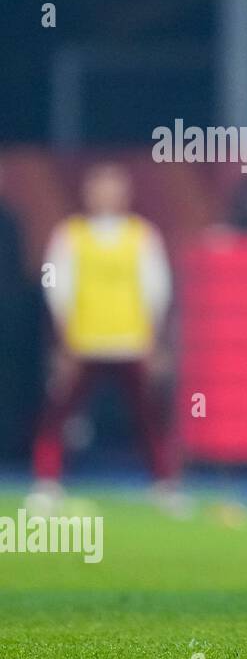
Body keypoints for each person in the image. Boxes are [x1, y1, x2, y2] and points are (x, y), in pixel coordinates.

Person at [32, 163, 178, 507]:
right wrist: (64, 336)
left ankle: (165, 484)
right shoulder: (69, 234)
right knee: (60, 412)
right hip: (84, 339)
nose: (106, 194)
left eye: (113, 187)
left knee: (149, 414)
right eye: (100, 186)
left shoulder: (142, 235)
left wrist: (153, 339)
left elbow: (157, 288)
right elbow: (55, 286)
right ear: (87, 192)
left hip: (131, 339)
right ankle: (46, 482)